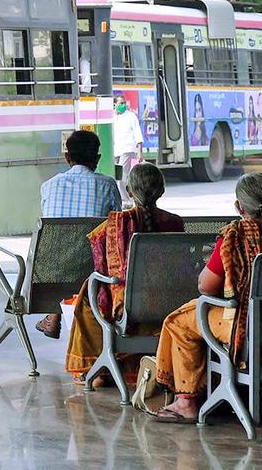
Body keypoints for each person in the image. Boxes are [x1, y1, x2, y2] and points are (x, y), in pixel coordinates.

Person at [152, 173, 262, 423]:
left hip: (244, 324)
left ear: (239, 206)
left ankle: (186, 401)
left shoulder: (235, 235)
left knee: (179, 321)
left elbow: (206, 286)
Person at [64, 163, 183, 385]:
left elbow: (101, 268)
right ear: (162, 191)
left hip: (129, 308)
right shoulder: (175, 222)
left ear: (129, 192)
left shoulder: (114, 225)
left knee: (88, 295)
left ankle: (97, 369)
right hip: (170, 304)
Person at [33, 129, 122, 339]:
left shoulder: (49, 186)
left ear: (67, 157)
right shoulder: (107, 185)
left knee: (62, 250)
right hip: (94, 276)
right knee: (90, 249)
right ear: (97, 158)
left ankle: (53, 313)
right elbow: (116, 228)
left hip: (49, 278)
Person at [112, 94, 145, 203]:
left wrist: (140, 152)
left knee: (122, 176)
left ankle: (125, 200)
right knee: (115, 176)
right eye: (120, 103)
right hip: (115, 150)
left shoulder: (131, 116)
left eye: (124, 103)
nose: (123, 105)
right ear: (114, 104)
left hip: (127, 149)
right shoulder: (112, 117)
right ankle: (122, 199)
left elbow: (138, 134)